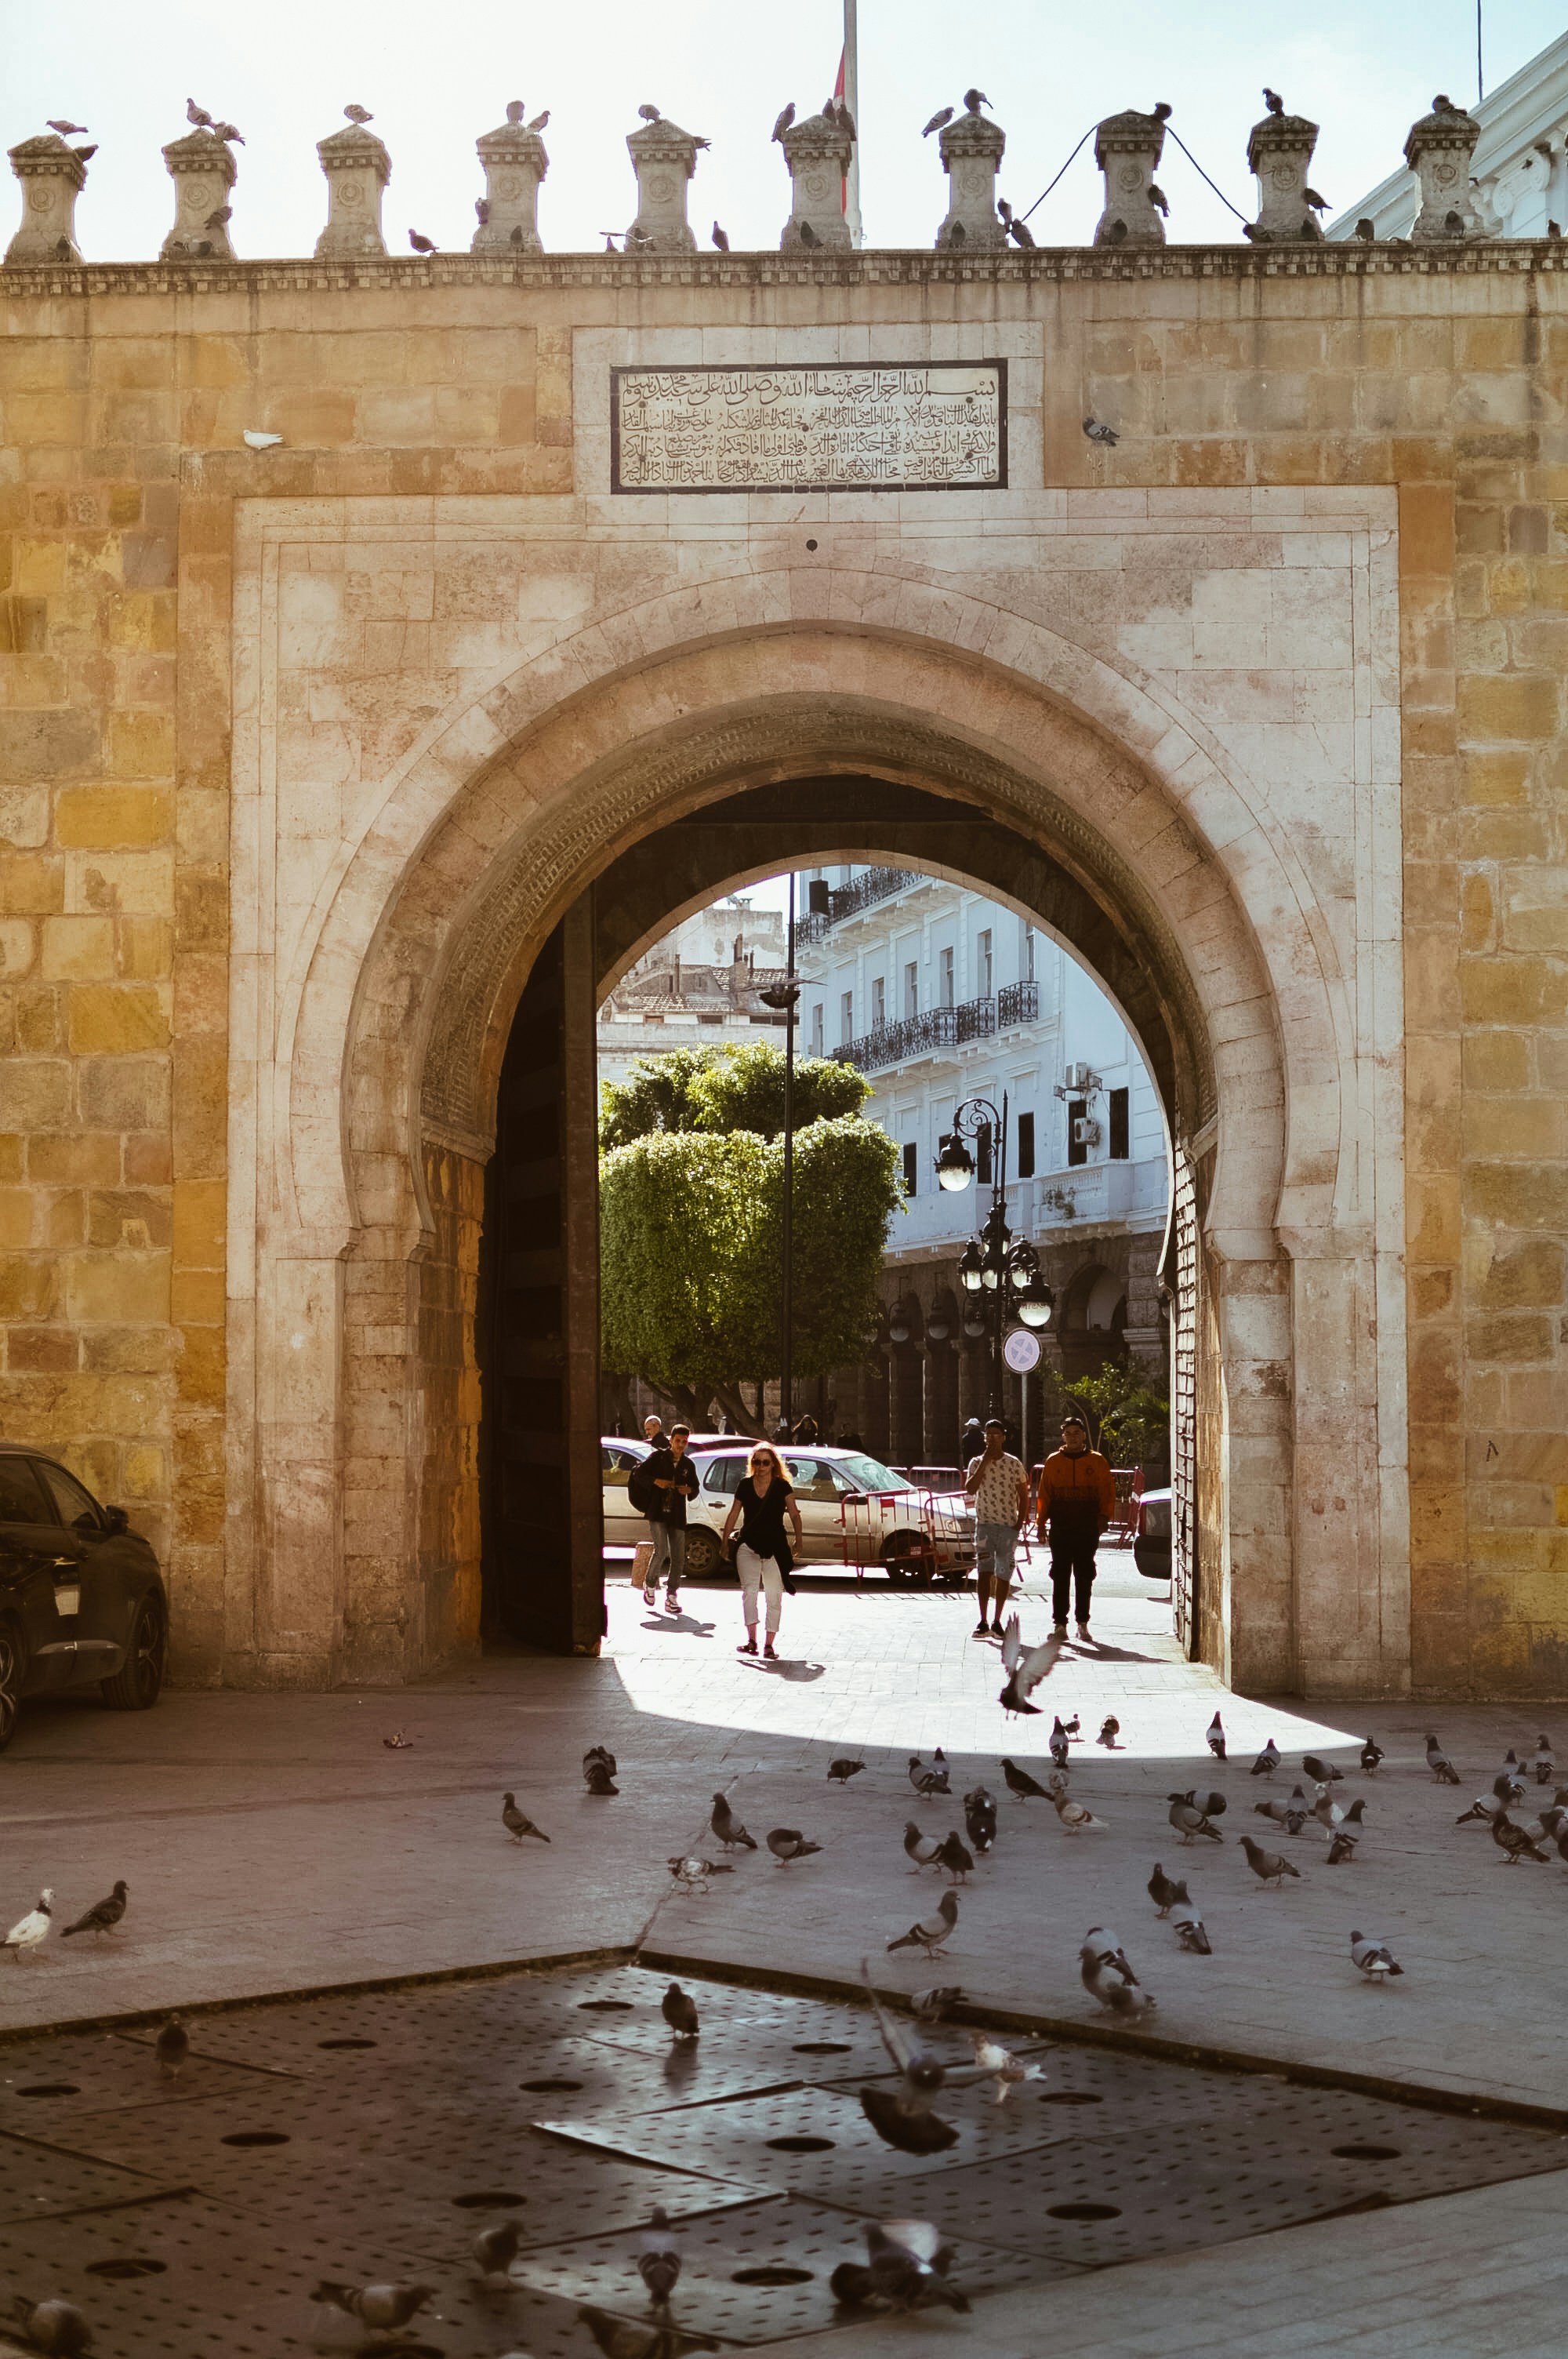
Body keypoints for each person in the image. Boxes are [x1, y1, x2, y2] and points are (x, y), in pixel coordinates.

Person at [1035, 1412, 1116, 1641]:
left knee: (1085, 1574)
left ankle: (1083, 1623)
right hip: (1061, 1526)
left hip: (1086, 1526)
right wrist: (1041, 1523)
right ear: (1063, 1436)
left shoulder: (1097, 1461)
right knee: (1060, 1574)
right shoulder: (1053, 1461)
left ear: (1083, 1436)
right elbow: (1044, 1495)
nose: (1072, 1437)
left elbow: (1107, 1491)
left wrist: (1104, 1516)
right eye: (1068, 1433)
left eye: (1077, 1433)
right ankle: (1060, 1624)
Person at [720, 1442, 804, 1659]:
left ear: (773, 1464)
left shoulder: (782, 1486)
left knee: (774, 1596)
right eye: (757, 1462)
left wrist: (799, 1540)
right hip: (748, 1545)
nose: (761, 1466)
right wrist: (723, 1542)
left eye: (766, 1462)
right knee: (749, 1592)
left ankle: (769, 1644)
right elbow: (733, 1514)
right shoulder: (745, 1485)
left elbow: (794, 1514)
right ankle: (751, 1640)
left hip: (775, 1547)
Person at [964, 1416, 1030, 1637]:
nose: (991, 1439)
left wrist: (1019, 1524)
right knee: (984, 1572)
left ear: (1003, 1438)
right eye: (988, 1435)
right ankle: (982, 1620)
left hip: (1007, 1526)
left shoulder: (1013, 1464)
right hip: (984, 1526)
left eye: (996, 1435)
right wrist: (984, 1462)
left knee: (1003, 1574)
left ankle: (997, 1620)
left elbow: (1023, 1494)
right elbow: (971, 1489)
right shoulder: (976, 1462)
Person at [641, 1421, 699, 1612]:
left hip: (677, 1516)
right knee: (661, 1550)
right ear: (671, 1440)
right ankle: (649, 1584)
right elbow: (638, 1475)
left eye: (684, 1442)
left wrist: (688, 1489)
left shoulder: (688, 1465)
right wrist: (656, 1481)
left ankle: (672, 1596)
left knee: (678, 1557)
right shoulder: (658, 1458)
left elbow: (695, 1489)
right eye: (678, 1441)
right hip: (658, 1513)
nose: (681, 1445)